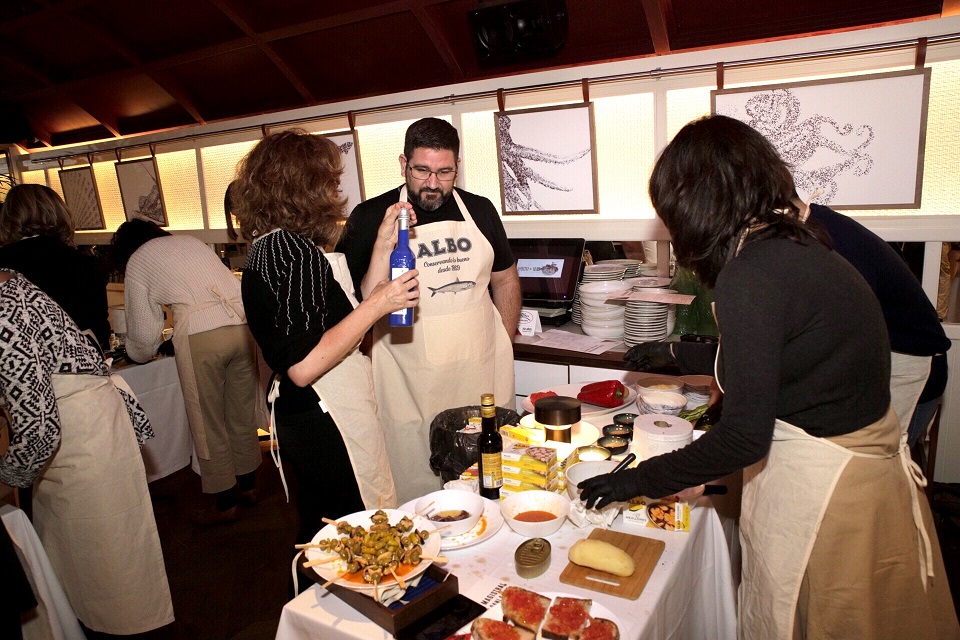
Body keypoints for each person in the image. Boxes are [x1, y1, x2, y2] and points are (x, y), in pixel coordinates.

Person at [581, 115, 958, 639]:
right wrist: (677, 353)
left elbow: (744, 435)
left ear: (696, 205)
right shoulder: (796, 244)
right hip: (861, 470)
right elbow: (781, 347)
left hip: (829, 491)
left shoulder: (751, 273)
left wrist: (637, 480)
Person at [234, 130, 418, 542]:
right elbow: (302, 366)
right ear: (305, 186)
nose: (336, 189)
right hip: (324, 416)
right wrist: (382, 303)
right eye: (330, 180)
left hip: (318, 413)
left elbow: (345, 317)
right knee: (348, 536)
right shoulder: (291, 253)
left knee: (330, 530)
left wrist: (384, 249)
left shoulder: (280, 247)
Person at [336, 117, 521, 503]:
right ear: (403, 164)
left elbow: (504, 280)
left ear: (457, 167)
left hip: (481, 373)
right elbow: (352, 306)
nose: (433, 183)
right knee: (416, 486)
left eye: (444, 172)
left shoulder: (481, 211)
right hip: (409, 382)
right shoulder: (370, 218)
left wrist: (503, 341)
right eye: (422, 171)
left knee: (489, 480)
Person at [0, 270, 174, 635]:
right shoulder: (9, 283)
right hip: (74, 434)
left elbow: (40, 427)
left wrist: (4, 477)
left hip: (82, 436)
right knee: (78, 569)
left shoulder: (4, 305)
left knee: (111, 574)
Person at [111, 219, 266, 524]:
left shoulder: (139, 260)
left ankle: (224, 503)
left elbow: (143, 336)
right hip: (241, 325)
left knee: (208, 420)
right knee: (240, 413)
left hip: (200, 336)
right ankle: (249, 487)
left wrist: (136, 353)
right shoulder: (191, 241)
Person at [0, 184, 110, 351]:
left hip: (21, 366)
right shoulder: (85, 264)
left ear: (8, 218)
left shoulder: (4, 263)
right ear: (60, 213)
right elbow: (99, 332)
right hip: (78, 365)